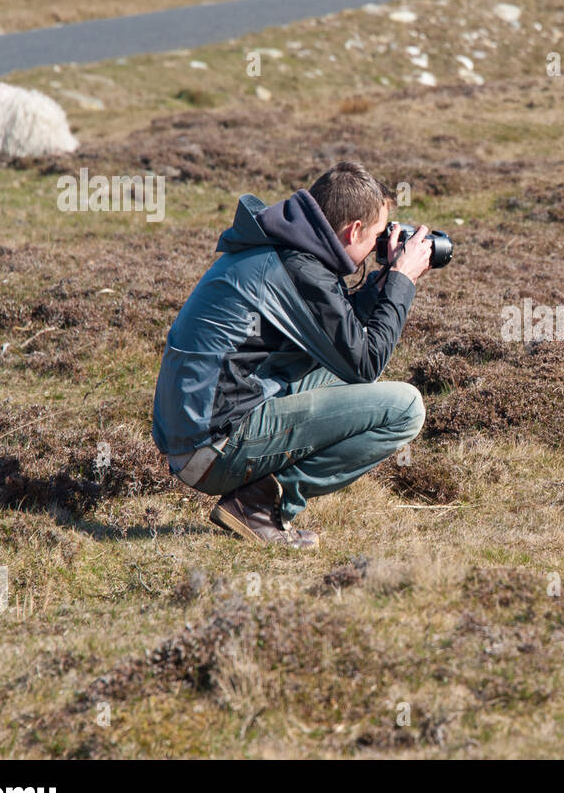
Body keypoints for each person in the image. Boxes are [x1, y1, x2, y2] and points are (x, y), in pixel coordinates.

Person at [151, 161, 433, 549]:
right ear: (352, 230)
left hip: (196, 432)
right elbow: (366, 363)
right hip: (210, 449)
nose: (379, 245)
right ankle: (260, 504)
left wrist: (379, 286)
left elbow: (339, 337)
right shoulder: (301, 270)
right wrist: (402, 281)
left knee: (338, 369)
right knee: (405, 408)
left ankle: (255, 500)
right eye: (377, 235)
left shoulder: (284, 248)